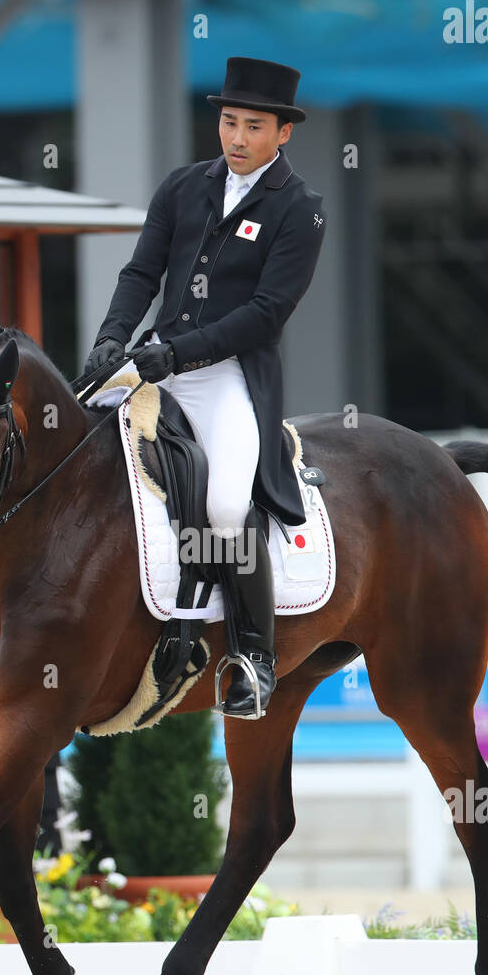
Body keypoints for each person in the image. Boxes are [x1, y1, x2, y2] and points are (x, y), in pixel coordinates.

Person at [85, 56, 326, 716]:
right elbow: (141, 273)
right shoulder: (183, 187)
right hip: (155, 362)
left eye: (253, 126)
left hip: (226, 378)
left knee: (223, 507)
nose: (238, 137)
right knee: (73, 450)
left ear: (283, 134)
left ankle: (255, 657)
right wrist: (111, 338)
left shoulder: (299, 211)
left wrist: (175, 354)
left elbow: (265, 315)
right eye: (228, 122)